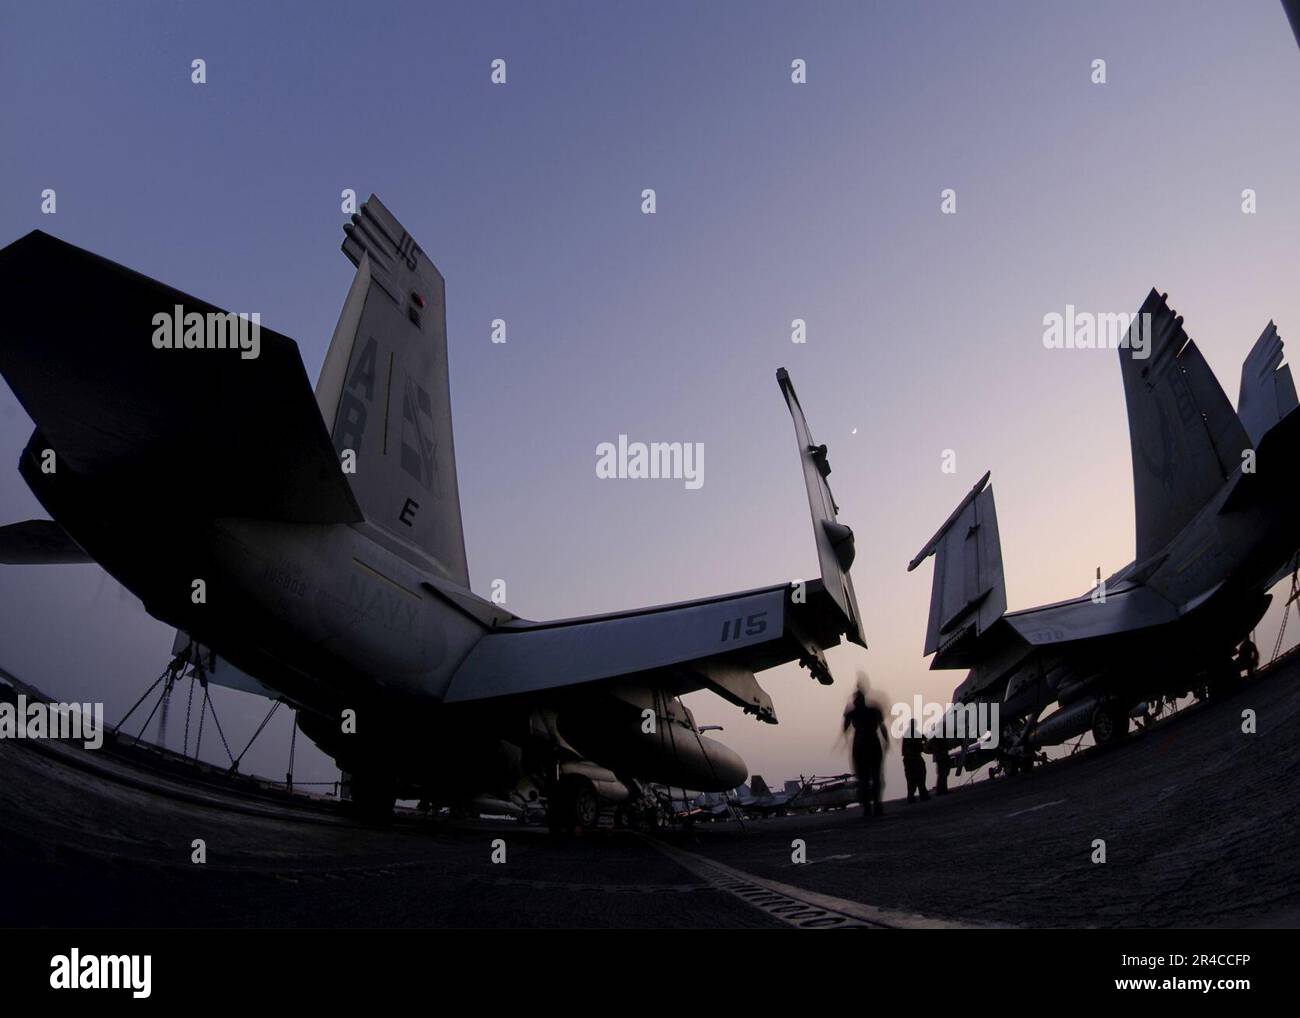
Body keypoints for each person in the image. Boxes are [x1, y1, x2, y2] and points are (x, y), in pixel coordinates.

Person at [843, 681, 888, 818]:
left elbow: (845, 729)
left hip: (862, 745)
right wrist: (886, 741)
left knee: (868, 778)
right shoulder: (872, 710)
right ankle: (874, 806)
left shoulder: (853, 711)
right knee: (873, 778)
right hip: (870, 744)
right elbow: (882, 727)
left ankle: (871, 807)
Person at [902, 720, 929, 803]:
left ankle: (911, 797)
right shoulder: (914, 732)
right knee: (921, 775)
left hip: (908, 759)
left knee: (911, 778)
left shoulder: (908, 733)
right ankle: (922, 795)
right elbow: (923, 739)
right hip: (914, 758)